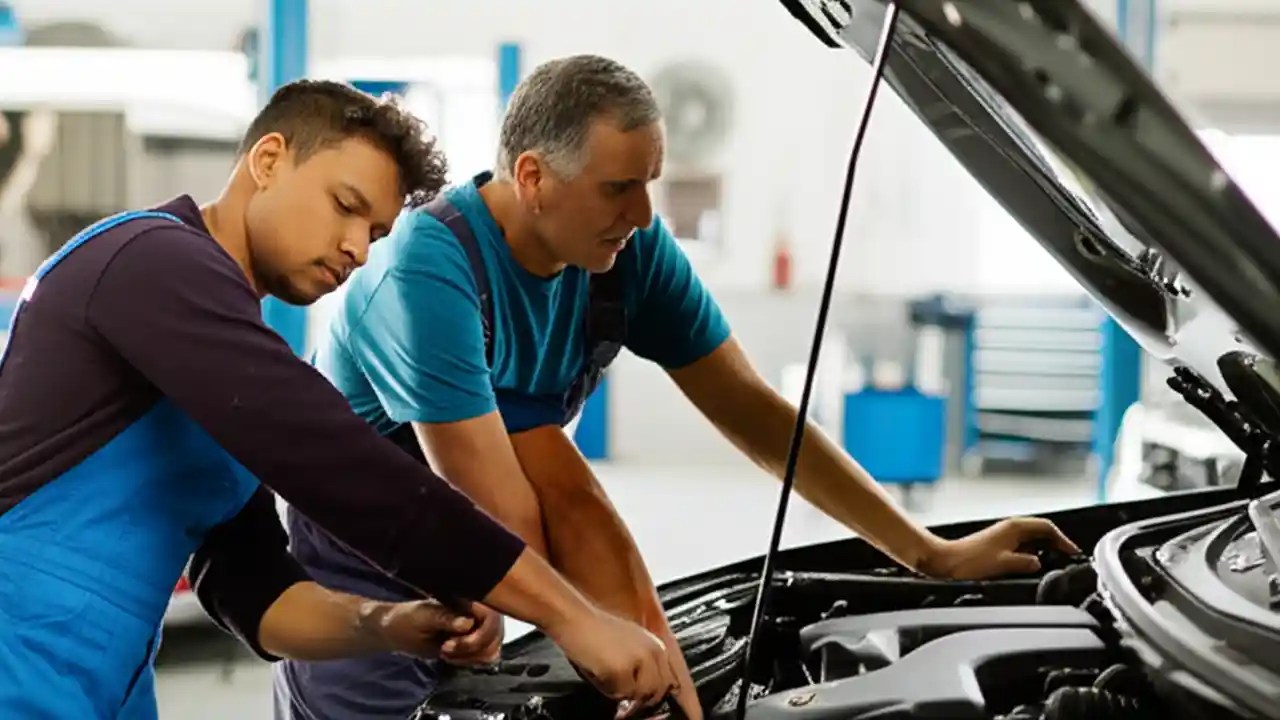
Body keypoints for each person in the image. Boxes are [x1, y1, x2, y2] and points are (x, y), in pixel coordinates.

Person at [282, 56, 1082, 720]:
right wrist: (619, 645)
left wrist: (928, 555)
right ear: (533, 177)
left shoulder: (627, 250)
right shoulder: (424, 268)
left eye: (651, 182)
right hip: (368, 589)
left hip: (504, 567)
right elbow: (511, 516)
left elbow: (755, 413)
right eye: (617, 188)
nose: (642, 212)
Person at [0, 79, 680, 720]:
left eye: (377, 234)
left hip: (97, 688)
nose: (356, 249)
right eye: (345, 206)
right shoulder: (150, 260)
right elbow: (344, 469)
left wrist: (392, 624)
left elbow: (259, 595)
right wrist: (574, 617)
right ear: (269, 159)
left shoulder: (218, 362)